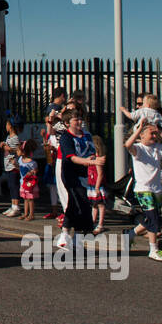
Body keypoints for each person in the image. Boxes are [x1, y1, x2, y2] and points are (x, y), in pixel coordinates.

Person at [121, 119, 162, 260]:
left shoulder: (158, 147)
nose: (154, 136)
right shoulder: (138, 149)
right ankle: (153, 249)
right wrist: (139, 129)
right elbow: (127, 145)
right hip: (143, 189)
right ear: (142, 135)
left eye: (155, 134)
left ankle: (130, 233)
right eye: (151, 134)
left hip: (156, 189)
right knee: (153, 218)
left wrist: (160, 132)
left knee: (152, 217)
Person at [55, 107, 102, 250]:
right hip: (70, 174)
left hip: (83, 174)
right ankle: (65, 235)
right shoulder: (66, 138)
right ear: (67, 123)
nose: (79, 122)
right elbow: (73, 158)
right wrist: (91, 162)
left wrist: (92, 159)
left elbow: (91, 152)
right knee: (77, 201)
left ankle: (75, 238)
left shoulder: (86, 136)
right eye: (76, 120)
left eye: (80, 119)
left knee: (78, 204)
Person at [0, 114, 24, 217]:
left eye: (7, 124)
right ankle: (13, 205)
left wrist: (9, 149)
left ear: (10, 126)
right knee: (10, 186)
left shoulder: (15, 138)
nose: (6, 126)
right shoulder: (9, 137)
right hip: (8, 165)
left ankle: (17, 206)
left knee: (14, 186)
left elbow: (19, 151)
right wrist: (3, 144)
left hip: (13, 165)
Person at [17, 141, 39, 220]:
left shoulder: (32, 162)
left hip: (29, 184)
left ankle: (31, 214)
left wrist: (32, 172)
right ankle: (26, 213)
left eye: (18, 150)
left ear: (23, 152)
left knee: (30, 199)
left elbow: (35, 172)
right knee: (25, 198)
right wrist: (15, 165)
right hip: (23, 182)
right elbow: (19, 169)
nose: (17, 152)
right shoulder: (20, 160)